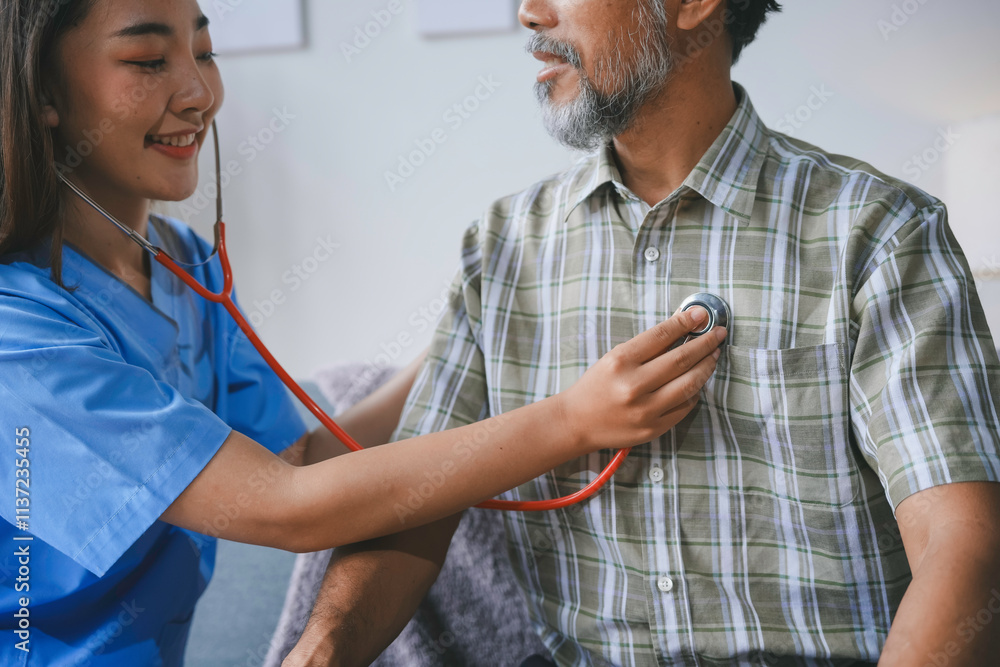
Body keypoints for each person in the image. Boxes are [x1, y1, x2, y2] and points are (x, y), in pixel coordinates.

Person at [0, 0, 727, 664]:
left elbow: (304, 456)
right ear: (41, 94)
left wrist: (470, 332)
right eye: (148, 61)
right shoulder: (17, 337)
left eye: (206, 52)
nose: (199, 93)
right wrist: (574, 419)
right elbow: (284, 503)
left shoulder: (184, 266)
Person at [287, 0, 1000, 665]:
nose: (528, 11)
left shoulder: (878, 232)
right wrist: (316, 652)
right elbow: (415, 508)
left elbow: (960, 542)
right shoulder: (504, 246)